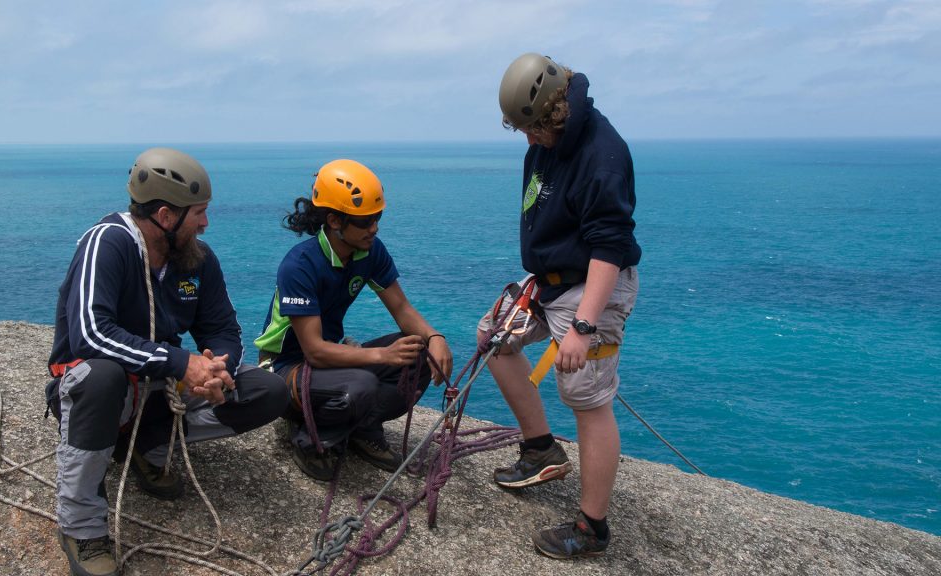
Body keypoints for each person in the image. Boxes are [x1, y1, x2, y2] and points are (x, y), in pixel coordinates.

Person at [46, 148, 289, 576]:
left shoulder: (196, 258)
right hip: (100, 389)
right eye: (199, 213)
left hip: (159, 390)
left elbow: (223, 331)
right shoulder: (108, 243)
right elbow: (89, 333)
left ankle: (146, 442)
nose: (205, 223)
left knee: (267, 391)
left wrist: (217, 370)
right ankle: (81, 525)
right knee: (102, 378)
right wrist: (181, 363)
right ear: (164, 215)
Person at [479, 53, 641, 559]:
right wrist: (538, 278)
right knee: (494, 339)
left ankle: (592, 528)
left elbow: (609, 246)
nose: (526, 140)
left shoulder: (603, 154)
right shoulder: (545, 145)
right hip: (549, 282)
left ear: (554, 114)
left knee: (587, 400)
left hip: (594, 285)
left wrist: (584, 327)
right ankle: (540, 448)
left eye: (530, 128)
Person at [255, 159, 454, 482]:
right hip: (285, 368)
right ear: (334, 220)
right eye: (364, 221)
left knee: (419, 353)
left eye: (377, 218)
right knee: (361, 386)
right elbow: (314, 351)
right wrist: (381, 355)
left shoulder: (369, 251)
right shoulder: (300, 265)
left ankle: (362, 429)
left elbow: (401, 308)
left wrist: (435, 337)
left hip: (325, 361)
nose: (374, 228)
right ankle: (309, 440)